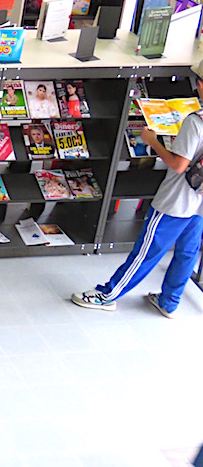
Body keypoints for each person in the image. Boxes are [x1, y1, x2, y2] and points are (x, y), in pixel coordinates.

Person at [72, 61, 203, 316]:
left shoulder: (195, 123)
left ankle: (107, 294)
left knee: (146, 252)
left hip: (176, 200)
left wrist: (153, 141)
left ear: (199, 84)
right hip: (199, 203)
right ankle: (169, 302)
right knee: (188, 252)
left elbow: (179, 164)